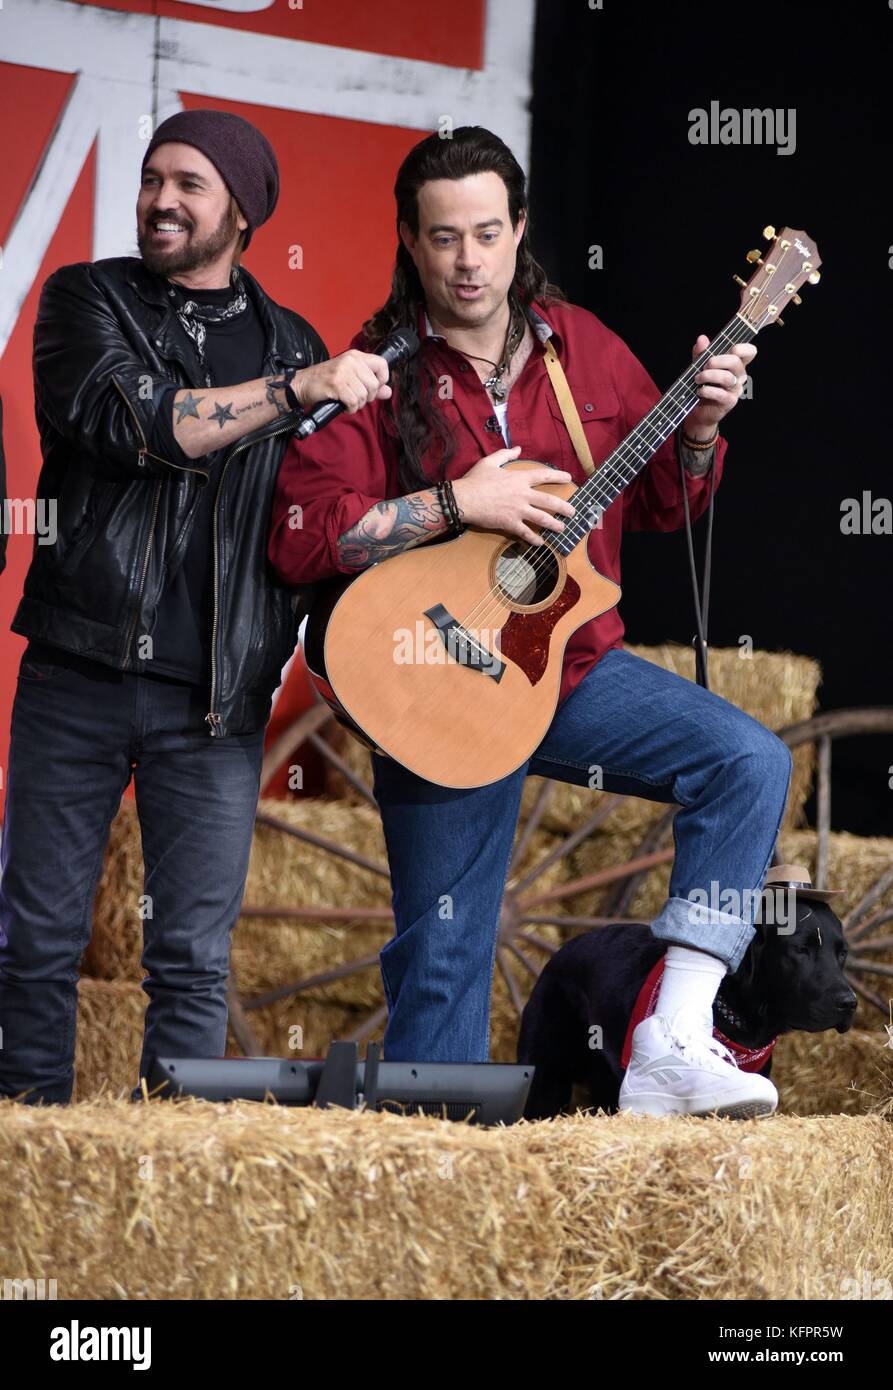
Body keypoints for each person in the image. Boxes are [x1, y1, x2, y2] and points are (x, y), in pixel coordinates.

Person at [268, 126, 793, 1117]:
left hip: (570, 671)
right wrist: (456, 505)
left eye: (483, 232)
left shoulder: (581, 349)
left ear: (517, 231)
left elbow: (663, 507)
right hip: (438, 675)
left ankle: (671, 1034)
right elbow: (303, 537)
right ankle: (437, 1185)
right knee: (445, 951)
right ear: (410, 242)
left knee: (748, 760)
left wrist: (702, 431)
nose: (465, 260)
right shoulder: (376, 373)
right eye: (442, 238)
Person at [0, 108, 391, 1105]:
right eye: (151, 178)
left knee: (189, 960)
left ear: (244, 211)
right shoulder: (85, 299)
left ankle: (170, 1160)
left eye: (188, 183)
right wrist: (300, 386)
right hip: (75, 672)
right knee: (34, 940)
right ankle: (24, 1149)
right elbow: (138, 424)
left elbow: (311, 528)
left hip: (213, 705)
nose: (161, 199)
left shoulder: (287, 337)